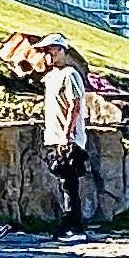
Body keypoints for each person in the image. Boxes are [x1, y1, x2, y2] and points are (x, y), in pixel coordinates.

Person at [40, 43, 92, 233]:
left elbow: (74, 105)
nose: (48, 55)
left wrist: (66, 135)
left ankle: (73, 225)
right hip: (56, 137)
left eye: (51, 51)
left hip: (68, 139)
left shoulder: (70, 75)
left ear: (62, 51)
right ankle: (68, 221)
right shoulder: (51, 77)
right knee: (64, 182)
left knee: (69, 183)